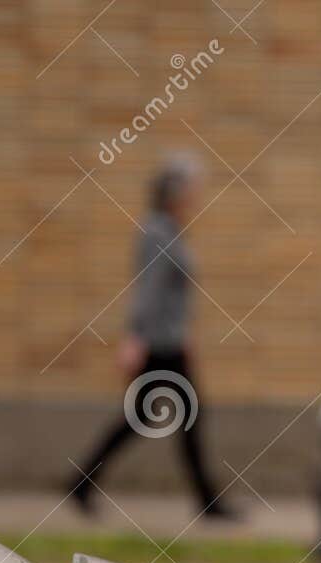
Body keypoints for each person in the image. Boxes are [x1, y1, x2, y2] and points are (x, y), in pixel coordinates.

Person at [72, 151, 233, 520]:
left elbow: (173, 297)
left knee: (144, 418)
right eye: (191, 188)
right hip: (159, 345)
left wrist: (186, 335)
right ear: (175, 191)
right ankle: (209, 505)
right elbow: (149, 290)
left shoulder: (171, 231)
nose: (196, 196)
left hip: (171, 342)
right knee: (179, 418)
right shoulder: (157, 231)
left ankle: (81, 483)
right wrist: (135, 338)